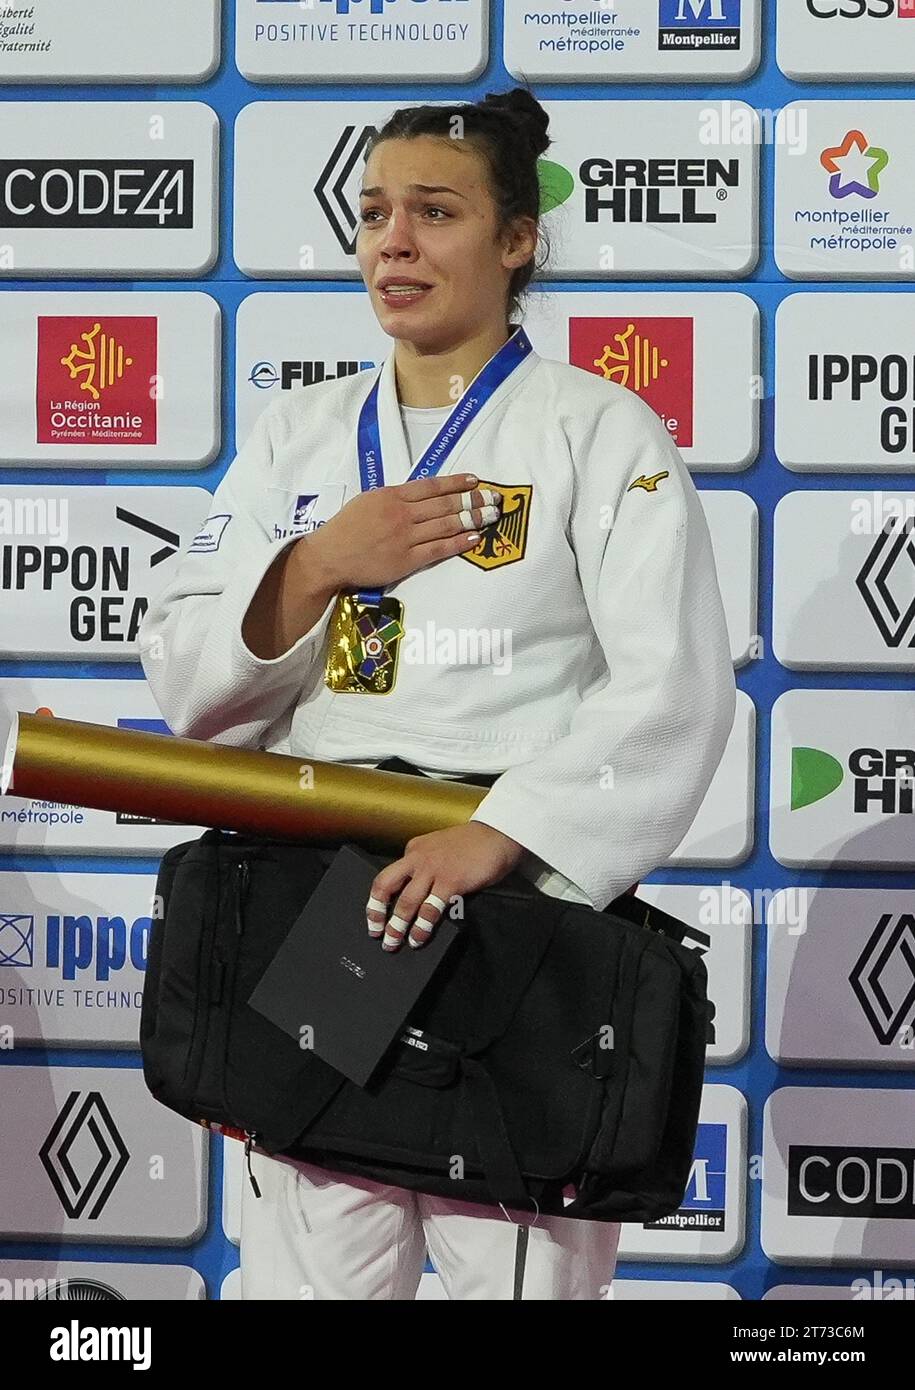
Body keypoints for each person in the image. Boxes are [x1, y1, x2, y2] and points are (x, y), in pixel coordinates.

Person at [137, 86, 736, 1300]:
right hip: (325, 897)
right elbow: (189, 683)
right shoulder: (298, 438)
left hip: (514, 908)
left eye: (434, 211)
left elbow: (673, 689)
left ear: (518, 239)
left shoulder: (600, 434)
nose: (392, 241)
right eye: (372, 213)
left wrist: (501, 833)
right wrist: (314, 565)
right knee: (308, 1288)